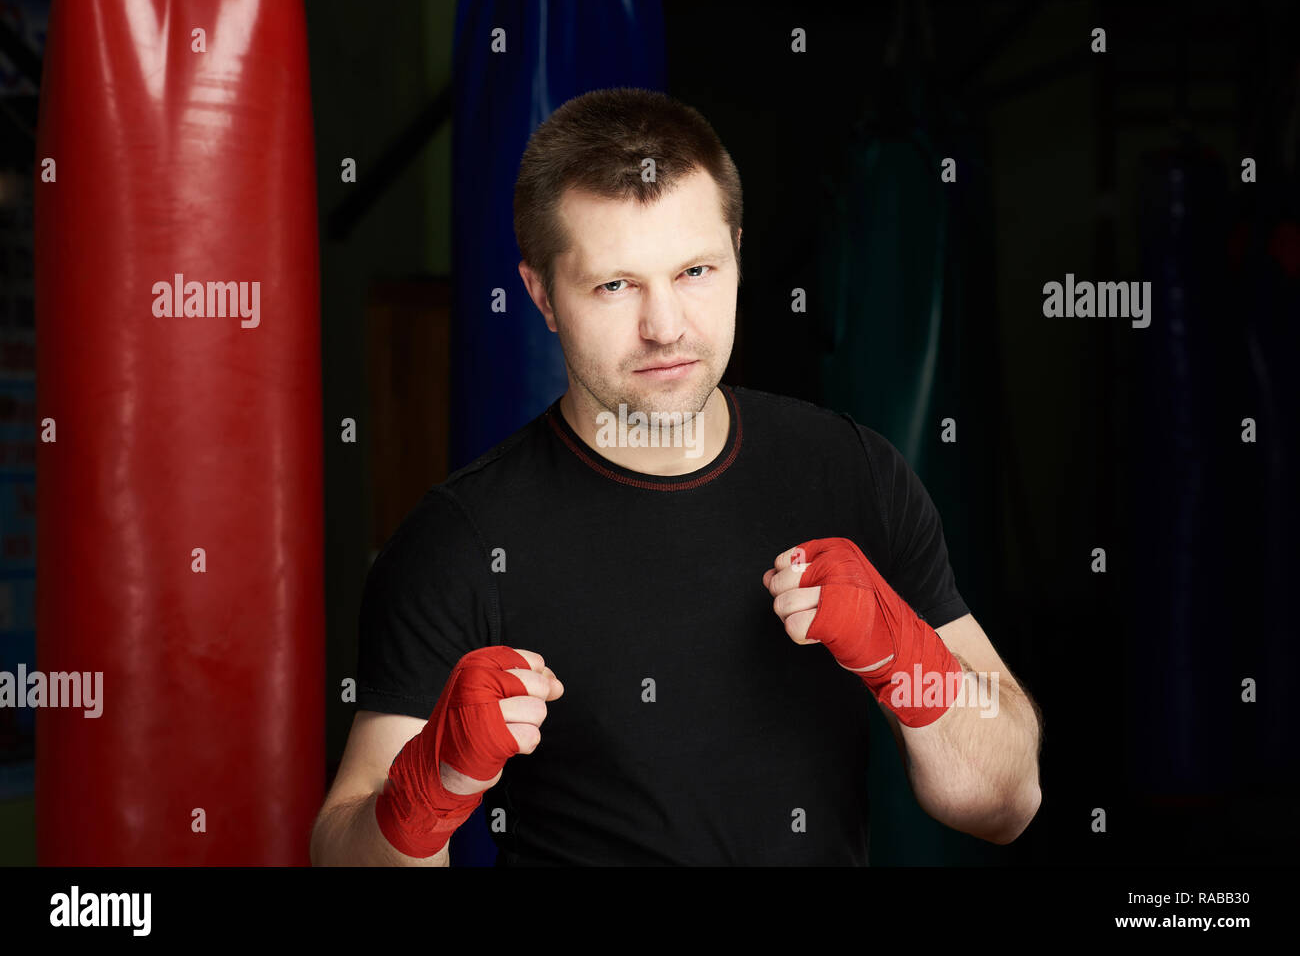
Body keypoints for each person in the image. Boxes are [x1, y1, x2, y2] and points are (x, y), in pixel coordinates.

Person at [309, 86, 1042, 866]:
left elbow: (1006, 802)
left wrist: (909, 657)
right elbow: (342, 851)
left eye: (694, 270)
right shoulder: (462, 539)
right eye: (615, 285)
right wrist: (432, 785)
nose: (665, 327)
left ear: (735, 253)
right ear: (540, 295)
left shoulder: (853, 473)